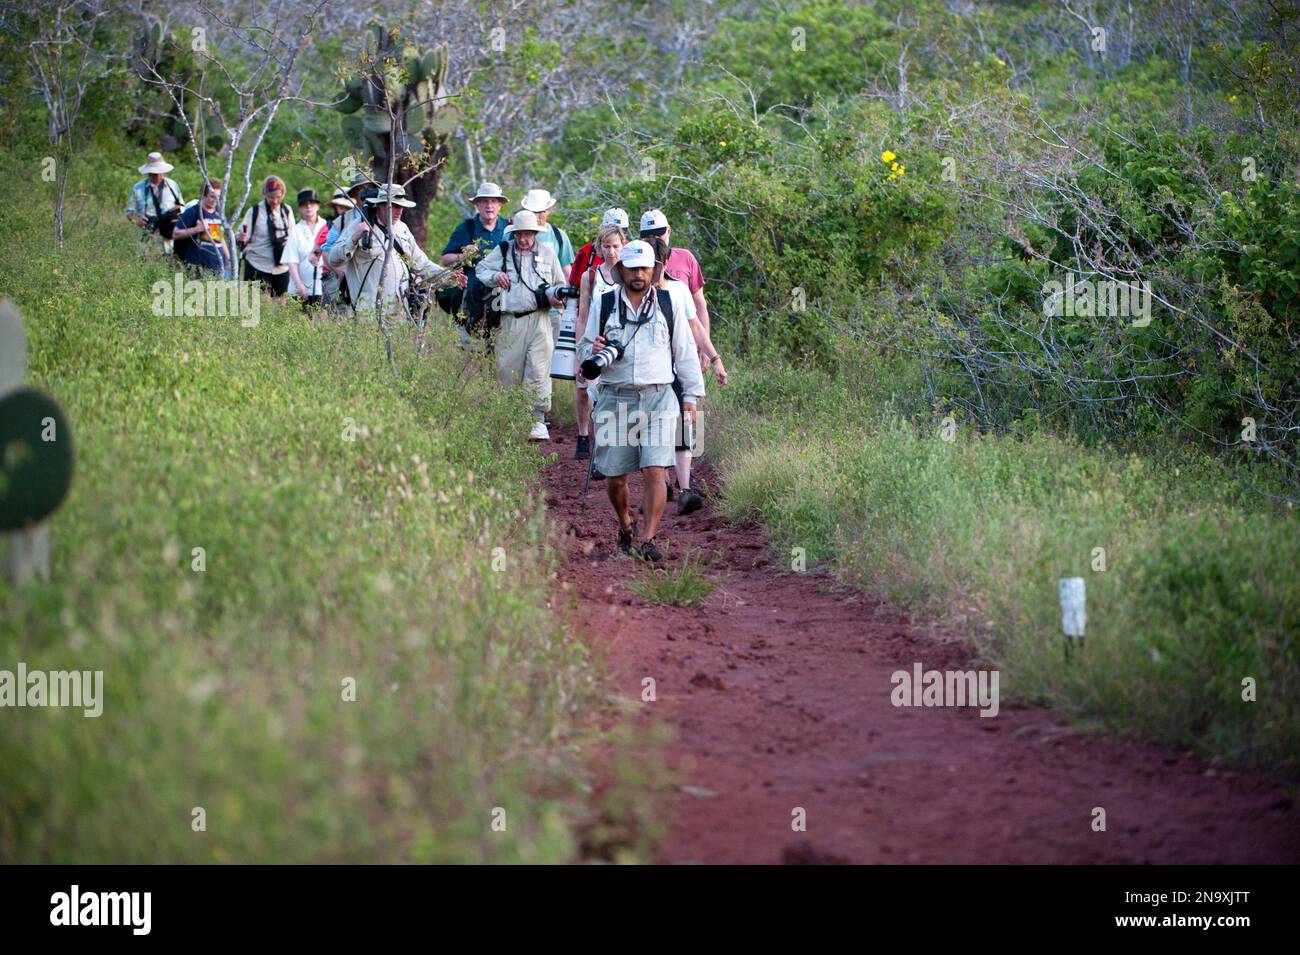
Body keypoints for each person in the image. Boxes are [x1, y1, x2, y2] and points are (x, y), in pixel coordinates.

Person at [577, 240, 705, 562]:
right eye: (632, 267)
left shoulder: (669, 301)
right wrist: (593, 352)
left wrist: (690, 395)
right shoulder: (604, 304)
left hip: (659, 395)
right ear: (621, 270)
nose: (639, 273)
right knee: (615, 477)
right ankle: (625, 524)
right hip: (615, 396)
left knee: (655, 469)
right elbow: (583, 352)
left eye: (645, 267)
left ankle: (648, 539)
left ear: (654, 269)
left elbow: (685, 350)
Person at [639, 208, 726, 508]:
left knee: (686, 422)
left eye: (658, 234)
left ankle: (685, 485)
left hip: (679, 362)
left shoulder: (680, 281)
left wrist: (712, 356)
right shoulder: (633, 285)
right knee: (652, 426)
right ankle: (660, 485)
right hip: (649, 369)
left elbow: (696, 320)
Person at [475, 209, 568, 441]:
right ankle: (512, 419)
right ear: (514, 233)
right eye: (520, 234)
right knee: (508, 370)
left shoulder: (547, 253)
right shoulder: (504, 251)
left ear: (535, 233)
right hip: (511, 319)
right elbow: (481, 270)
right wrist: (496, 277)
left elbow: (559, 284)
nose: (524, 239)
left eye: (528, 234)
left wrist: (557, 297)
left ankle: (537, 419)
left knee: (538, 369)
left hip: (541, 318)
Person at [327, 183, 450, 318]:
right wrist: (354, 238)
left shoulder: (402, 229)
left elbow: (422, 265)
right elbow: (333, 259)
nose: (399, 211)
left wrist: (450, 277)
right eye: (395, 206)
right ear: (381, 205)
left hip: (400, 314)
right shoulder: (358, 226)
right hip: (367, 315)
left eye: (401, 206)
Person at [572, 221, 627, 461]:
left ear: (623, 246)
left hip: (621, 345)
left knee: (614, 400)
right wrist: (579, 354)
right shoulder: (590, 276)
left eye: (616, 246)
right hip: (595, 342)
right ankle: (589, 443)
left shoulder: (630, 274)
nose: (612, 251)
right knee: (591, 396)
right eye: (607, 246)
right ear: (600, 247)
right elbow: (583, 316)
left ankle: (610, 453)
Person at [439, 181, 509, 333]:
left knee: (501, 344)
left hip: (503, 299)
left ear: (500, 205)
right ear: (477, 204)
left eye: (493, 201)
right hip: (471, 297)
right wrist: (464, 255)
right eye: (484, 201)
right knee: (470, 343)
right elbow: (445, 259)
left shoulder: (509, 228)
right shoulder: (466, 228)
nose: (489, 205)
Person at [236, 176, 295, 297]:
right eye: (271, 197)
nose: (275, 201)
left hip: (282, 266)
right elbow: (241, 235)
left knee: (281, 304)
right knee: (256, 303)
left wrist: (291, 240)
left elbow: (294, 234)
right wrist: (240, 237)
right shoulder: (255, 211)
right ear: (264, 194)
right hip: (257, 263)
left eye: (278, 197)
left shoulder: (286, 210)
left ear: (283, 194)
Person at [171, 177, 231, 277]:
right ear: (203, 195)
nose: (216, 200)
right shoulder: (193, 212)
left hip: (218, 268)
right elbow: (176, 234)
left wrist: (228, 257)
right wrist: (197, 229)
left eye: (218, 197)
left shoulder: (218, 214)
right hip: (197, 270)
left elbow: (219, 238)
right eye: (212, 196)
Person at [126, 152, 184, 252]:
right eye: (153, 173)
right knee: (144, 259)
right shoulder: (138, 188)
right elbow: (130, 213)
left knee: (171, 260)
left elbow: (182, 207)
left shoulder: (172, 185)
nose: (157, 176)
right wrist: (137, 221)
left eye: (160, 173)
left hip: (169, 236)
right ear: (148, 172)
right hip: (147, 236)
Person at [283, 188, 329, 307]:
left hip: (323, 285)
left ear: (318, 206)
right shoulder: (296, 230)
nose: (308, 207)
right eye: (304, 204)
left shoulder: (327, 226)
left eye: (312, 203)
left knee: (323, 321)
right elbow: (292, 261)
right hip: (300, 288)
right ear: (299, 209)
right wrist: (299, 285)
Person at [321, 189, 354, 305]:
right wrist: (339, 271)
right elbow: (325, 250)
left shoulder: (356, 222)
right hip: (333, 273)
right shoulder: (330, 225)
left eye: (346, 207)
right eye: (340, 207)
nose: (343, 210)